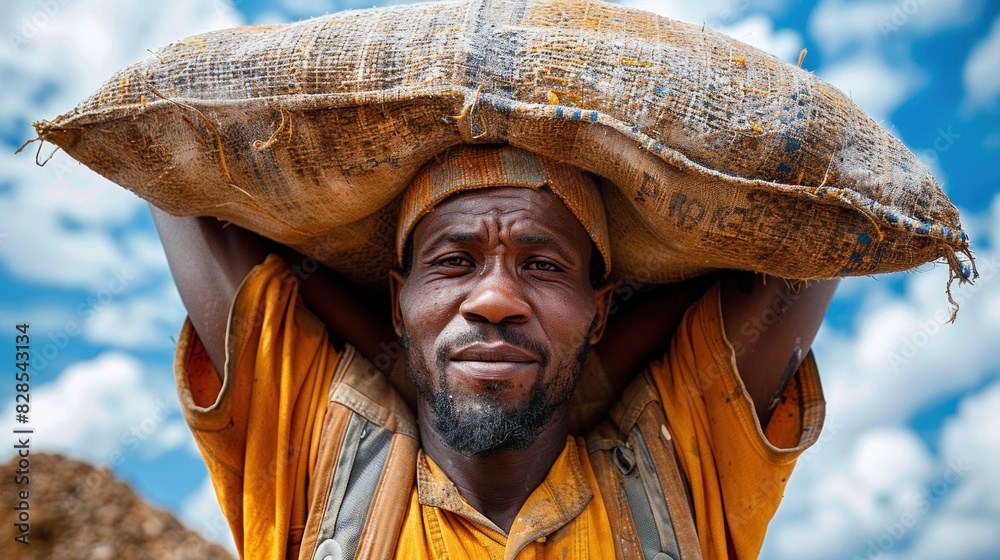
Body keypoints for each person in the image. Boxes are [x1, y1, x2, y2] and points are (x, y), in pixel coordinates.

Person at [152, 145, 838, 560]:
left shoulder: (681, 463)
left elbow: (831, 213)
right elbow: (160, 151)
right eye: (454, 262)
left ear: (600, 311)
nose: (496, 299)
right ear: (398, 301)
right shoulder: (315, 449)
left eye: (543, 267)